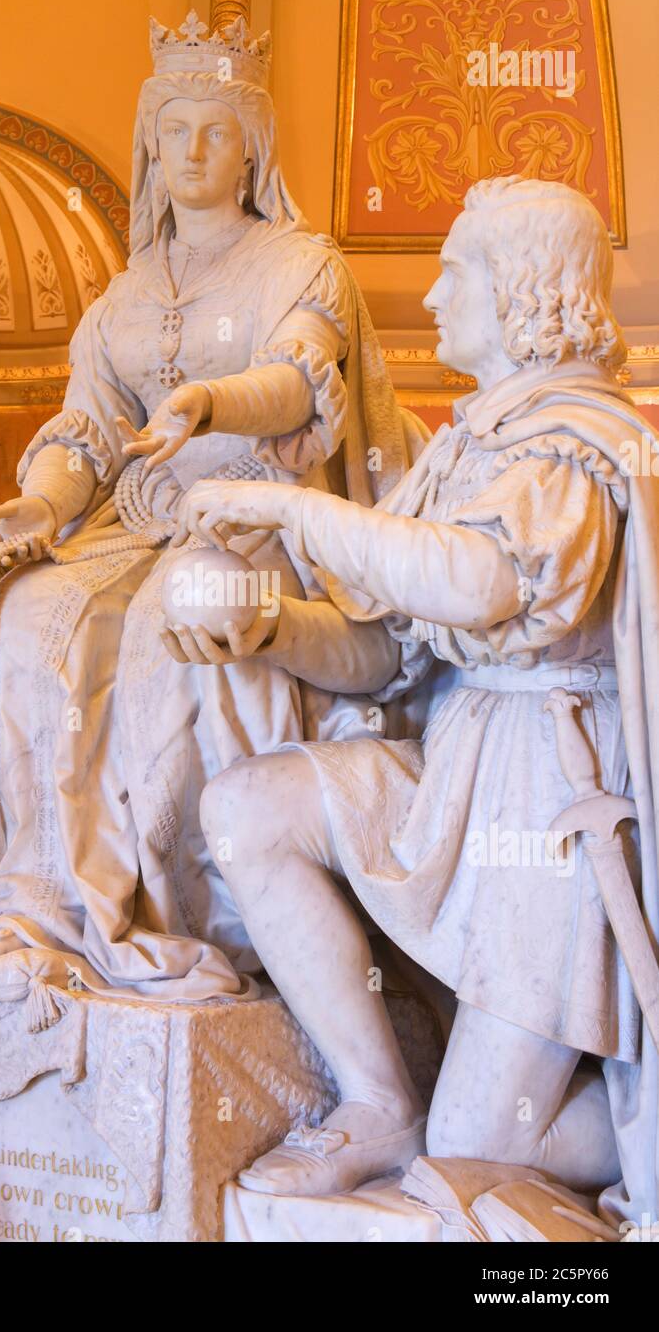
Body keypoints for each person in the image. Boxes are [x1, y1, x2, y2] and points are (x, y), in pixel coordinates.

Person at [178, 176, 659, 1228]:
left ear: (521, 288)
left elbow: (477, 583)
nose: (430, 296)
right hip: (455, 770)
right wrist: (264, 629)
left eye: (453, 271)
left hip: (544, 806)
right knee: (248, 807)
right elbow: (381, 653)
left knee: (482, 1145)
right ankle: (376, 1101)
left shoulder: (579, 445)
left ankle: (621, 1126)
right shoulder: (465, 446)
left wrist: (288, 508)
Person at [0, 12, 426, 1000]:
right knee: (33, 610)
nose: (192, 150)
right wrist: (42, 503)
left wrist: (209, 402)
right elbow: (85, 429)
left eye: (214, 130)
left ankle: (168, 907)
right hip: (136, 516)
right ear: (149, 147)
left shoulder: (299, 259)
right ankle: (40, 901)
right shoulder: (121, 295)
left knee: (179, 611)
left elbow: (297, 381)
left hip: (261, 510)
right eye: (174, 130)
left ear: (251, 147)